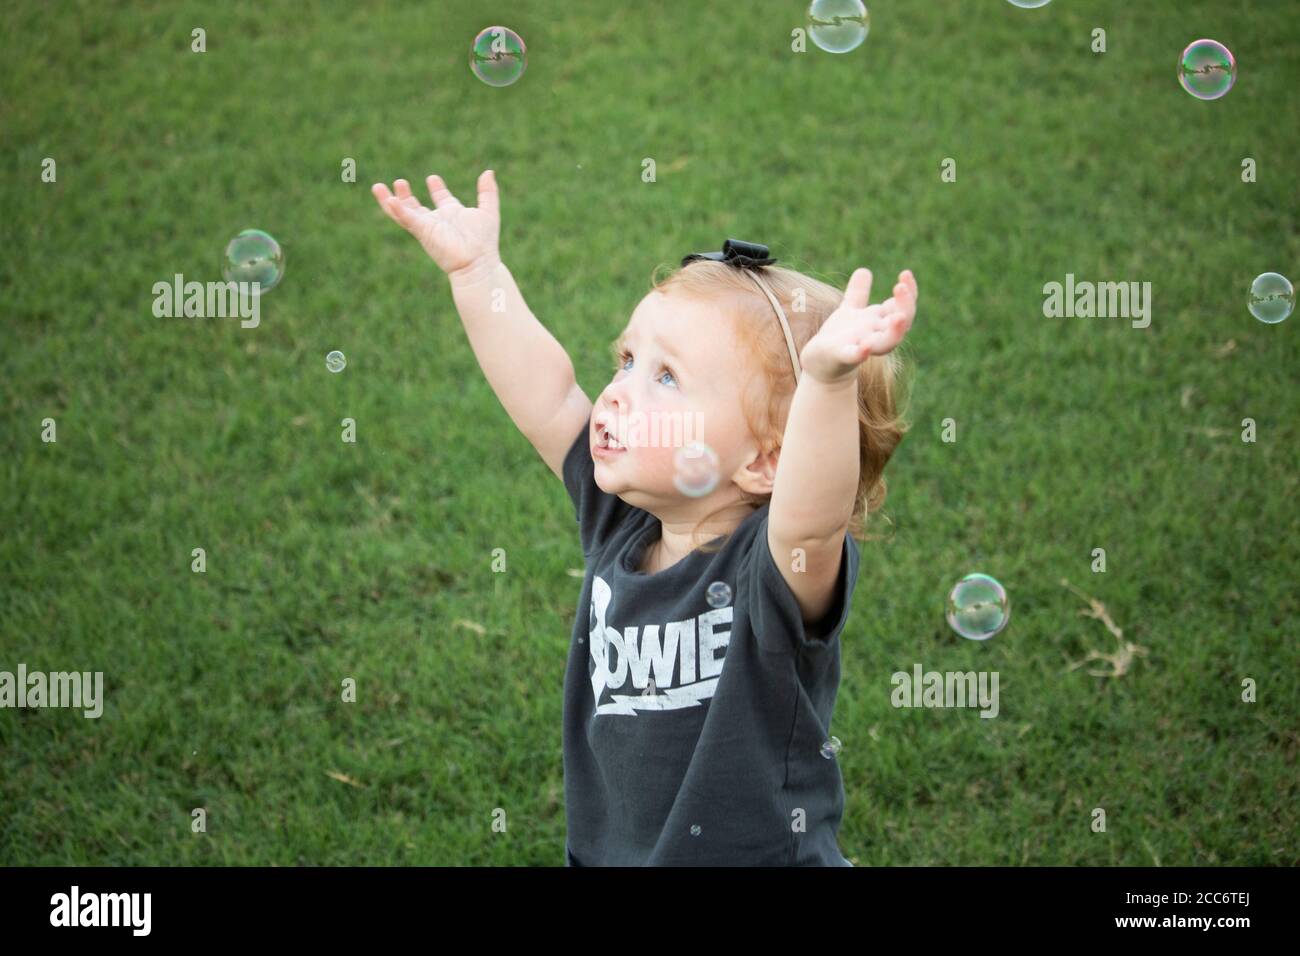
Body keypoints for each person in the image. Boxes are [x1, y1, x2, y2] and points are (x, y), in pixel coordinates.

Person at [372, 170, 916, 865]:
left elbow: (813, 512)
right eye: (628, 360)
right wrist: (479, 274)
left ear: (764, 461)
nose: (618, 393)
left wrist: (827, 384)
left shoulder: (776, 570)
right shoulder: (620, 520)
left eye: (666, 378)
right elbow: (546, 394)